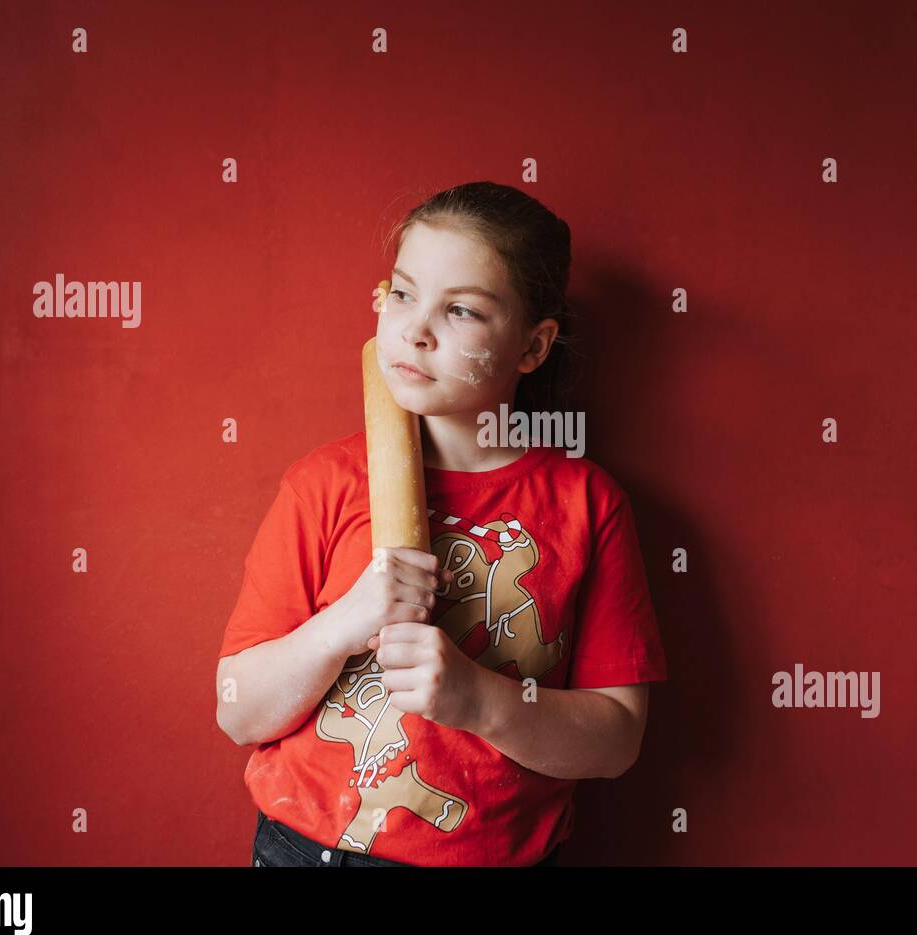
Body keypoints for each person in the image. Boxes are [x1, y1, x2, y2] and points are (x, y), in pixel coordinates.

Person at [216, 181, 668, 867]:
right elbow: (237, 712)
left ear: (532, 346)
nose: (416, 328)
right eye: (402, 294)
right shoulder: (324, 483)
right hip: (307, 852)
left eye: (461, 310)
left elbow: (616, 742)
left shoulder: (588, 503)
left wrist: (478, 700)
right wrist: (346, 621)